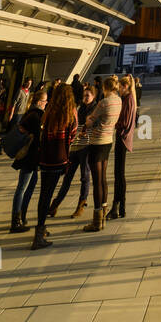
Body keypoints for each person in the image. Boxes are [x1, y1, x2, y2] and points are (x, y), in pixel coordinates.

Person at [32, 84, 78, 249]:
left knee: (44, 194)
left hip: (45, 158)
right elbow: (72, 135)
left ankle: (41, 227)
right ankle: (38, 235)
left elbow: (43, 133)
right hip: (60, 158)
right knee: (48, 193)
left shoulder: (49, 111)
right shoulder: (70, 113)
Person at [48, 84, 94, 218]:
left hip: (86, 147)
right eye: (84, 95)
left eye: (88, 95)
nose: (85, 98)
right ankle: (55, 204)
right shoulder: (79, 108)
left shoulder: (95, 109)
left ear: (93, 96)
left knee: (84, 177)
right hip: (75, 147)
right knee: (67, 177)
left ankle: (81, 204)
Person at [83, 75, 121, 231]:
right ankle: (103, 213)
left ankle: (97, 219)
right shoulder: (119, 101)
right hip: (108, 140)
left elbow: (90, 121)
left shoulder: (103, 102)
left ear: (105, 88)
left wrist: (88, 120)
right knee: (103, 178)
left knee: (97, 180)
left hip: (97, 141)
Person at [10, 88, 47, 232]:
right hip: (29, 157)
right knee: (23, 188)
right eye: (45, 101)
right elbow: (37, 138)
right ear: (39, 102)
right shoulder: (36, 116)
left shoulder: (30, 113)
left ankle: (21, 217)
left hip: (30, 157)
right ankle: (16, 220)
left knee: (29, 186)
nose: (46, 103)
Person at [110, 73, 136, 219]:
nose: (119, 89)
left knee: (119, 174)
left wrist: (114, 123)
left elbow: (125, 122)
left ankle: (120, 206)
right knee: (119, 174)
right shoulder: (128, 98)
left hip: (122, 138)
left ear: (125, 87)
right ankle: (120, 207)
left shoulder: (128, 99)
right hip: (125, 138)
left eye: (120, 87)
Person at [0, 77, 32, 154]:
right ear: (25, 82)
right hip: (17, 114)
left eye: (30, 83)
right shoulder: (20, 91)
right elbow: (14, 102)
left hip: (23, 113)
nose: (29, 84)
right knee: (13, 131)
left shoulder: (28, 92)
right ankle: (1, 145)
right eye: (28, 83)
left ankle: (10, 147)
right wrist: (11, 114)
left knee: (17, 132)